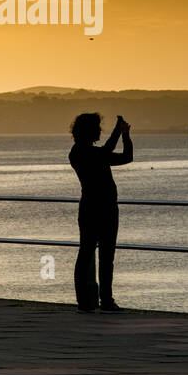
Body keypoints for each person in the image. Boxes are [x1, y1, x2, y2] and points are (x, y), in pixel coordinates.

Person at [68, 112, 132, 313]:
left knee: (96, 254)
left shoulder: (86, 153)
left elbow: (126, 157)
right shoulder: (82, 153)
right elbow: (109, 151)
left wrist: (124, 135)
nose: (99, 131)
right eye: (97, 128)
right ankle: (95, 301)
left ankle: (99, 301)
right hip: (99, 209)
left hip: (97, 208)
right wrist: (120, 133)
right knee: (93, 254)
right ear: (89, 131)